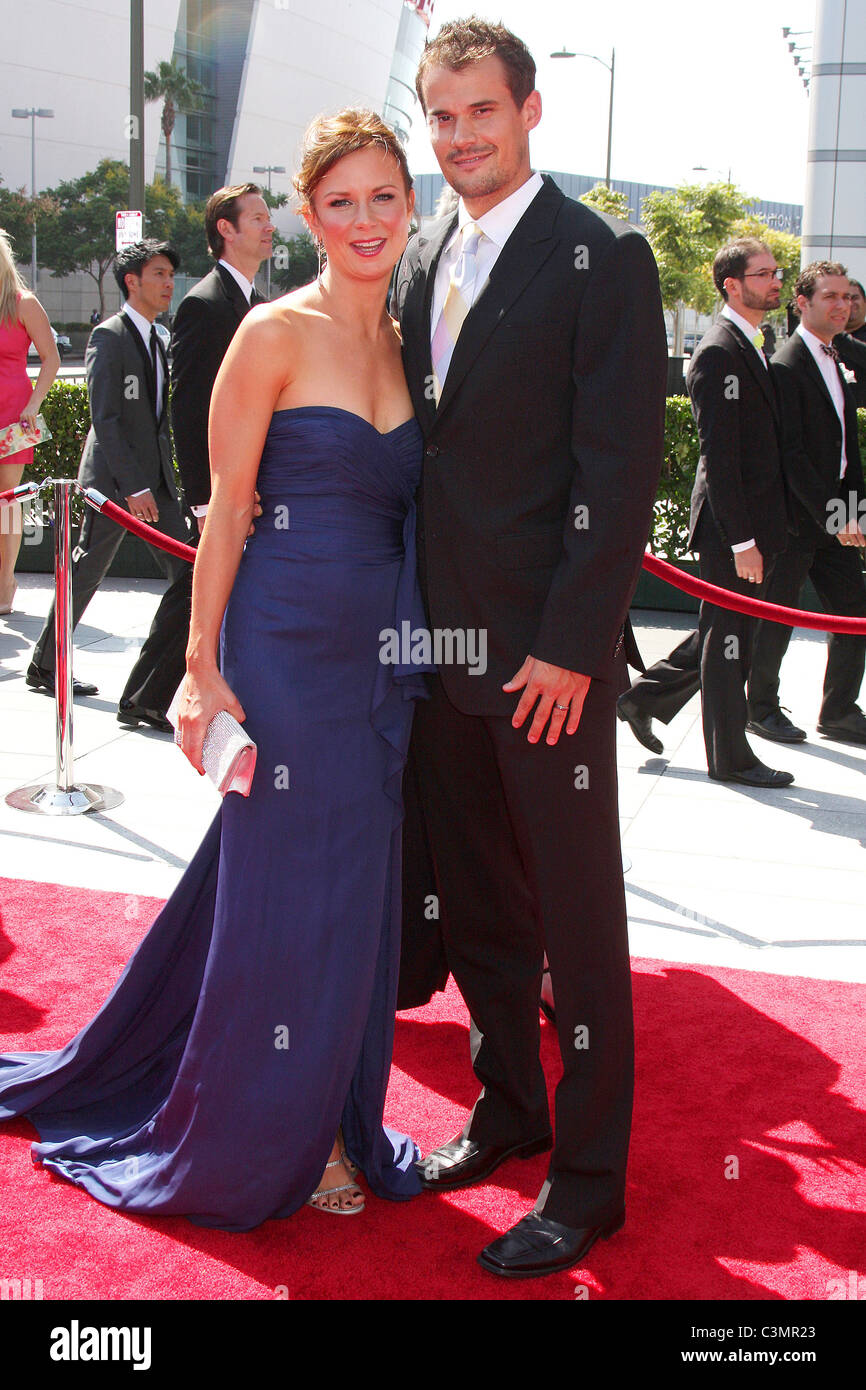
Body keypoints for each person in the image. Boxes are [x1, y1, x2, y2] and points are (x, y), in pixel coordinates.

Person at [0, 108, 427, 1227]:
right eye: (341, 200)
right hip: (281, 647)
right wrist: (200, 667)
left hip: (380, 656)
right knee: (289, 890)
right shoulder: (273, 333)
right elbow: (225, 512)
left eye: (384, 195)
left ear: (411, 204)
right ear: (306, 213)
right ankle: (272, 1132)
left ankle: (336, 1105)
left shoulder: (415, 338)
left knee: (353, 891)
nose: (366, 218)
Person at [392, 19, 667, 1277]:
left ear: (529, 110)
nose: (456, 139)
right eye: (437, 116)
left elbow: (618, 474)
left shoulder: (598, 254)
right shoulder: (423, 247)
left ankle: (590, 1178)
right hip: (436, 646)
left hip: (543, 664)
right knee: (480, 905)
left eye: (477, 114)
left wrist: (569, 647)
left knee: (574, 919)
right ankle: (508, 1107)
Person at [26, 240, 192, 726]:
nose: (167, 284)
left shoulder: (161, 337)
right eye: (158, 274)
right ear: (131, 281)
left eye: (169, 275)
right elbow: (107, 418)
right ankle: (45, 662)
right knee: (87, 572)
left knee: (188, 575)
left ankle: (147, 691)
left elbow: (161, 418)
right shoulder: (108, 336)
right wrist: (133, 485)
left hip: (157, 483)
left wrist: (162, 481)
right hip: (114, 483)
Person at [685, 238, 795, 785]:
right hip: (732, 531)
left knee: (732, 641)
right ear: (732, 284)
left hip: (753, 527)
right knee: (726, 645)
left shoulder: (751, 340)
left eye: (778, 272)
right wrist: (742, 541)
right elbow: (718, 458)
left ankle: (723, 746)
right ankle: (730, 759)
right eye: (764, 273)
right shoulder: (718, 350)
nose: (776, 281)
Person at [748, 262, 866, 747]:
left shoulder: (837, 354)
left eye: (847, 297)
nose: (843, 305)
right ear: (802, 303)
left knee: (854, 612)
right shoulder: (787, 363)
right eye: (831, 297)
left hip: (833, 516)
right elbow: (790, 455)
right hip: (796, 519)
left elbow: (845, 446)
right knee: (776, 616)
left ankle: (838, 712)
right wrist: (833, 517)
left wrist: (851, 511)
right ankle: (760, 709)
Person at [171, 183, 273, 532]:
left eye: (269, 218)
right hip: (221, 494)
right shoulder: (201, 305)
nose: (269, 227)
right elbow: (189, 409)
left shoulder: (261, 304)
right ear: (226, 229)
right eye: (258, 218)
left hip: (260, 487)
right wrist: (201, 502)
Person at [0, 227, 60, 614]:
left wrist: (34, 405)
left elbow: (51, 359)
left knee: (7, 503)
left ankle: (5, 581)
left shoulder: (24, 303)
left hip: (14, 416)